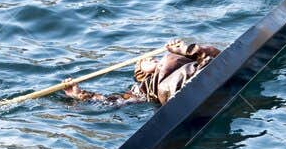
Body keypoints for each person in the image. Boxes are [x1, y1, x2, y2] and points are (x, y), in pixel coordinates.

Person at [63, 39, 221, 106]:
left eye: (153, 58)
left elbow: (218, 54)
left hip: (197, 71)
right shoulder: (140, 89)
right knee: (167, 65)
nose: (152, 59)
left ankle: (202, 61)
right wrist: (80, 94)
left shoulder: (175, 60)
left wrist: (183, 50)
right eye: (146, 60)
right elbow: (112, 101)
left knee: (172, 60)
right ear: (139, 73)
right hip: (170, 92)